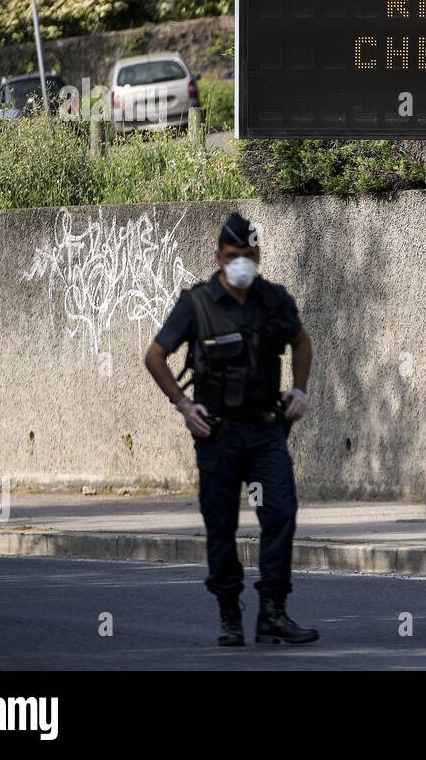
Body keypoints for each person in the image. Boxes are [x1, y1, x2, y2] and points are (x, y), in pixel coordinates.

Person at [144, 212, 319, 647]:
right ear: (219, 257)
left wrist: (299, 390)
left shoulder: (274, 299)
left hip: (265, 432)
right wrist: (183, 405)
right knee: (220, 524)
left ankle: (273, 613)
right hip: (217, 436)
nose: (240, 262)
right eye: (231, 255)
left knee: (279, 515)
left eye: (248, 255)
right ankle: (229, 614)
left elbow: (302, 341)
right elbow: (155, 356)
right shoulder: (196, 304)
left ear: (258, 256)